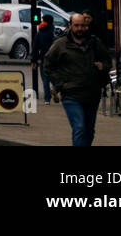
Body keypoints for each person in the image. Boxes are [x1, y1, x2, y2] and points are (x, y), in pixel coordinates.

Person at [43, 12, 112, 146]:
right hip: (71, 95)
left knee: (89, 130)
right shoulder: (60, 44)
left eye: (82, 26)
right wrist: (60, 83)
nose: (80, 29)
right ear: (70, 26)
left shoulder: (95, 43)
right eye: (76, 26)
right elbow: (48, 65)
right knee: (79, 127)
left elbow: (107, 61)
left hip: (92, 94)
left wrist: (102, 66)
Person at [31, 16, 57, 103]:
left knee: (45, 79)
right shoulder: (55, 32)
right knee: (56, 77)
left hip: (44, 58)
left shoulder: (40, 33)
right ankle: (55, 89)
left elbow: (35, 48)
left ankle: (47, 99)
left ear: (44, 22)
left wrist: (34, 61)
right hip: (56, 59)